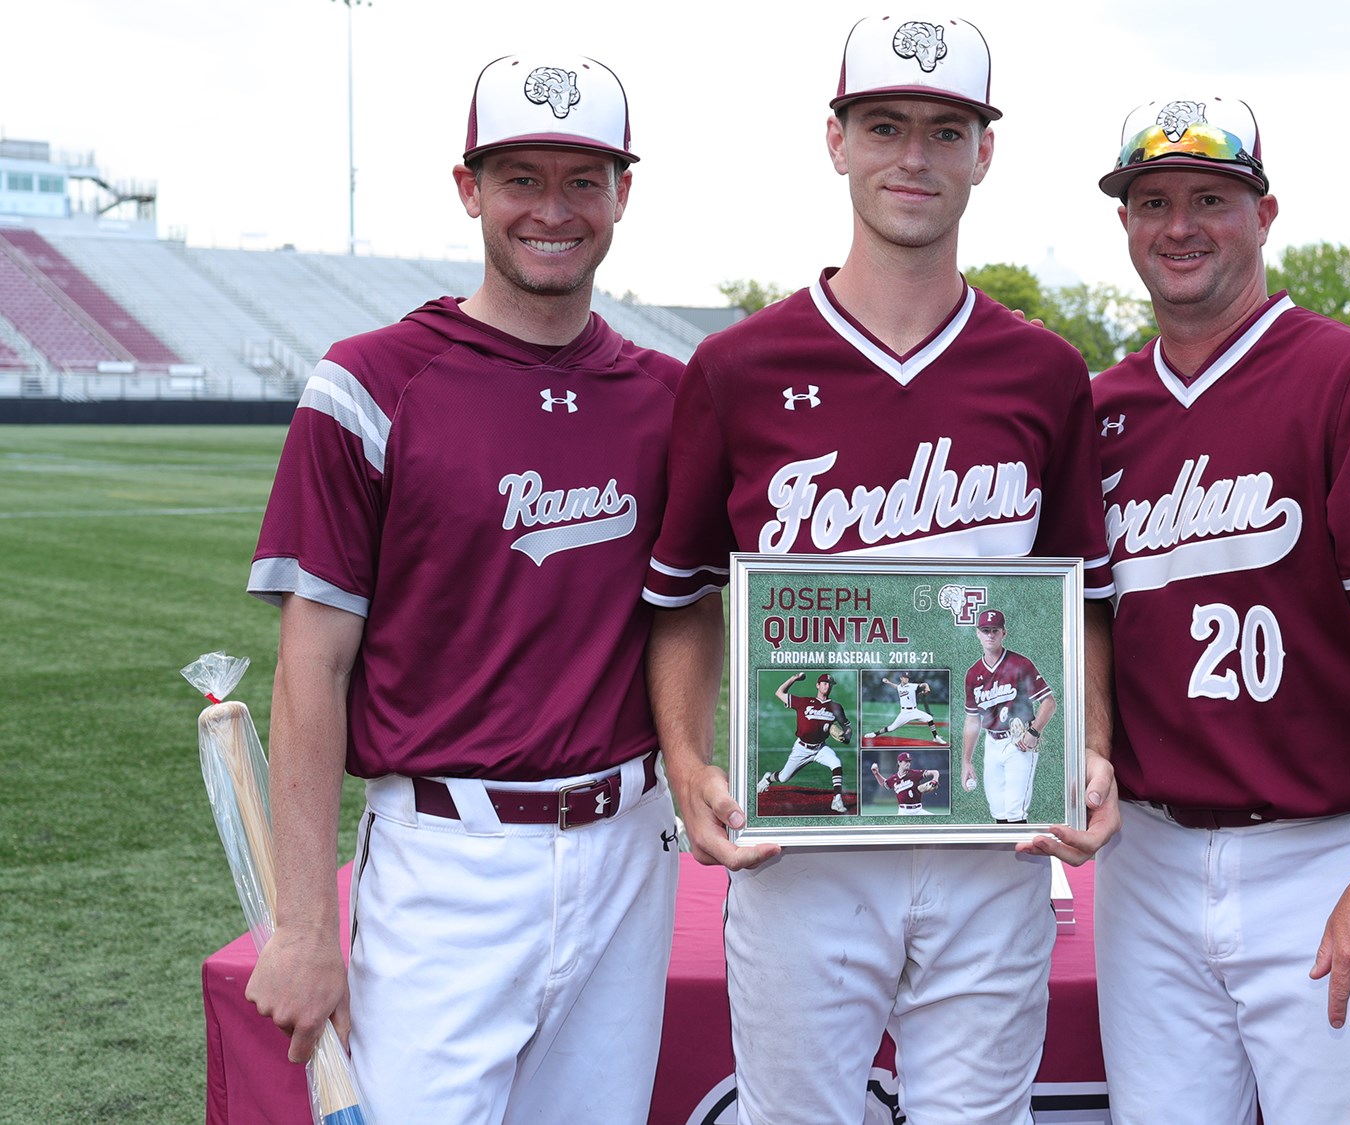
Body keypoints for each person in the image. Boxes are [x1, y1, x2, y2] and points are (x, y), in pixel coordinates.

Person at [640, 17, 1116, 1125]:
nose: (914, 157)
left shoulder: (1042, 371)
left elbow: (1081, 601)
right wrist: (684, 758)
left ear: (983, 154)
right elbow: (679, 596)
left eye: (945, 131)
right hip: (802, 843)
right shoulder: (739, 366)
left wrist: (1092, 747)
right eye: (885, 126)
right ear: (836, 141)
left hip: (991, 843)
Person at [240, 54, 680, 1122]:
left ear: (625, 190)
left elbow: (705, 618)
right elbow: (313, 666)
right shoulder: (371, 381)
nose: (552, 209)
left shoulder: (671, 396)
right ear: (467, 186)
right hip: (447, 859)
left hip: (632, 846)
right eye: (519, 176)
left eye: (583, 179)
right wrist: (303, 926)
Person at [1087, 97, 1350, 1124]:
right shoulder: (1102, 408)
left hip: (1320, 851)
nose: (1178, 225)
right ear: (1124, 223)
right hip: (1148, 858)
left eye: (1210, 198)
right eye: (1151, 201)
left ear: (1263, 214)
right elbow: (1080, 625)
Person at [959, 608, 1058, 823]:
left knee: (1015, 812)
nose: (990, 635)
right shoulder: (973, 673)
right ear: (978, 633)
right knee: (998, 812)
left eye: (995, 630)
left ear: (1004, 633)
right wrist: (966, 761)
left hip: (1019, 743)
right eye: (985, 630)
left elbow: (1049, 703)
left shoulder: (1020, 664)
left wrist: (1034, 732)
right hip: (991, 743)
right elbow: (972, 719)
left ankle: (1020, 854)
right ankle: (1004, 856)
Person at [759, 671, 852, 813]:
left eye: (830, 684)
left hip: (820, 748)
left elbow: (847, 727)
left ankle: (837, 800)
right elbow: (779, 693)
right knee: (784, 778)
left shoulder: (836, 707)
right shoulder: (804, 702)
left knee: (836, 763)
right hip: (802, 748)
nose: (828, 686)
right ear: (818, 685)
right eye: (825, 683)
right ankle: (768, 778)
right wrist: (794, 678)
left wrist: (846, 737)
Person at [873, 671, 948, 742]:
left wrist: (927, 686)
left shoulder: (912, 686)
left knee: (929, 718)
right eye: (905, 677)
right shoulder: (900, 687)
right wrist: (888, 682)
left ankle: (935, 737)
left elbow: (923, 684)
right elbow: (897, 687)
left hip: (914, 711)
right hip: (904, 713)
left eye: (907, 677)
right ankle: (875, 733)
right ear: (901, 678)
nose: (906, 678)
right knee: (891, 728)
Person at [872, 751, 942, 814]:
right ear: (899, 762)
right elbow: (885, 784)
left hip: (918, 810)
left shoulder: (915, 774)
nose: (908, 763)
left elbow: (935, 772)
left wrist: (935, 780)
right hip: (903, 811)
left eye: (909, 761)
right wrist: (876, 774)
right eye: (906, 761)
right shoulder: (894, 778)